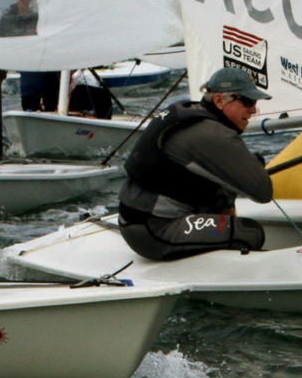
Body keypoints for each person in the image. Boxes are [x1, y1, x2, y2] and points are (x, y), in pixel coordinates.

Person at [117, 67, 273, 261]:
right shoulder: (214, 134)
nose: (253, 110)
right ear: (219, 100)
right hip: (154, 231)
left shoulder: (192, 115)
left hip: (134, 220)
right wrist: (253, 167)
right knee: (251, 233)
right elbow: (264, 192)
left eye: (255, 102)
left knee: (221, 187)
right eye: (247, 101)